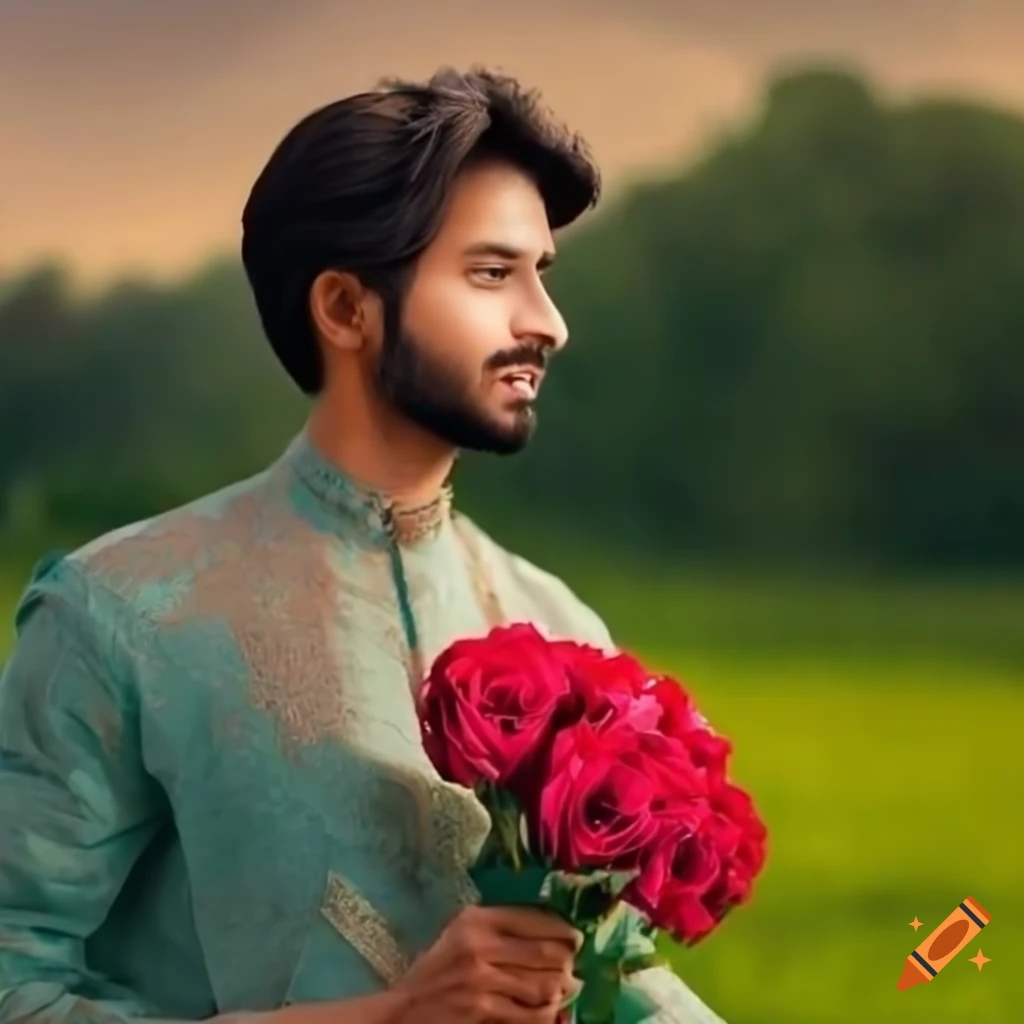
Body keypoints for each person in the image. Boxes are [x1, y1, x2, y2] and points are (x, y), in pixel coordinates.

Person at [0, 68, 725, 1024]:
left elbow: (616, 979)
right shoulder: (123, 615)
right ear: (345, 308)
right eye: (491, 273)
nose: (546, 322)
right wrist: (389, 1016)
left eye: (542, 273)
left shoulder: (557, 622)